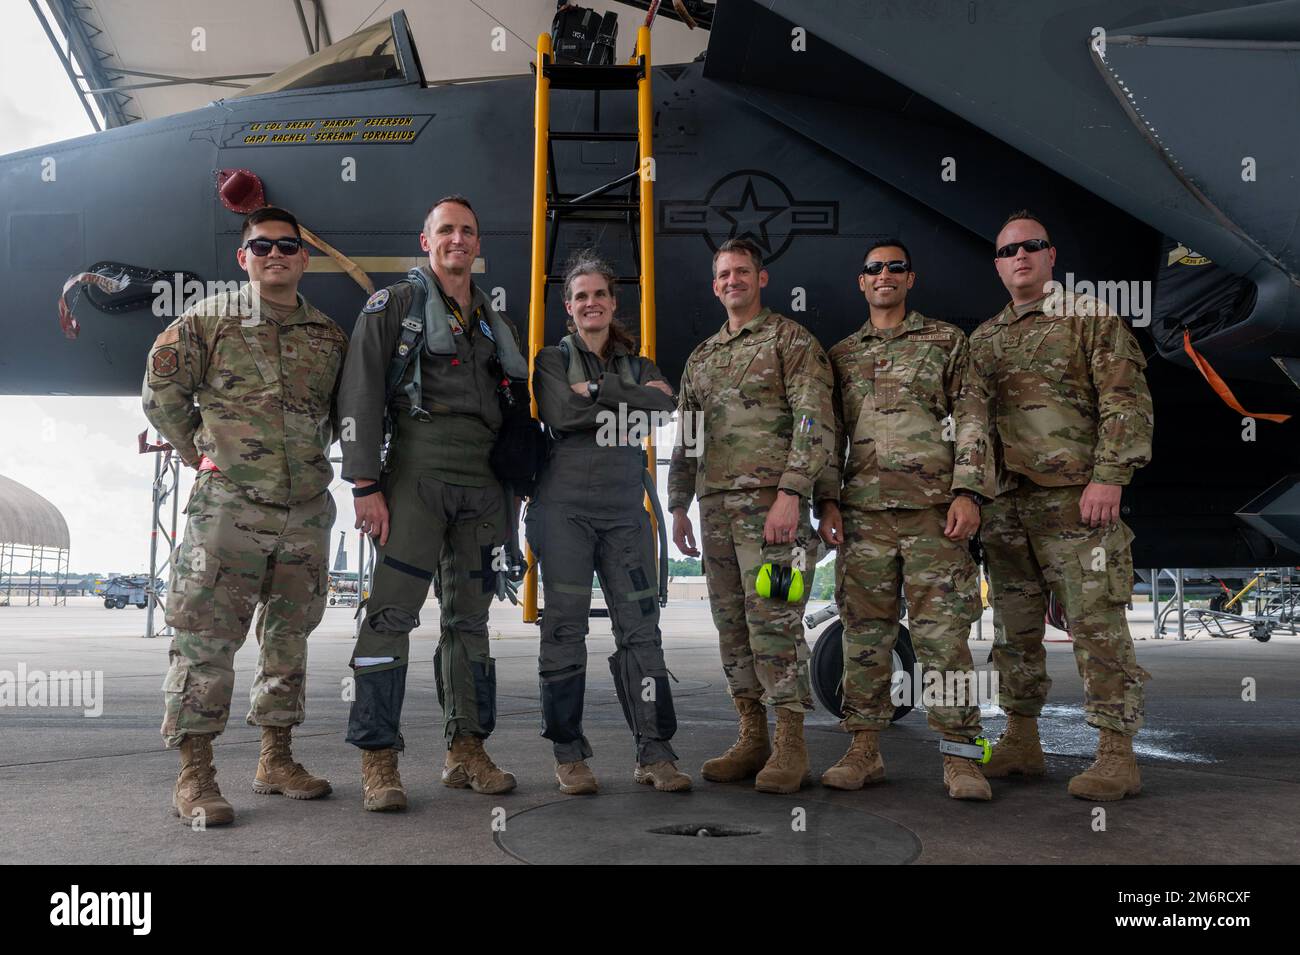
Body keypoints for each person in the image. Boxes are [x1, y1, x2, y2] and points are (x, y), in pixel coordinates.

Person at [143, 206, 347, 826]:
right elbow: (162, 396)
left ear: (304, 257)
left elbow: (340, 414)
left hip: (305, 510)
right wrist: (205, 455)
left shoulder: (329, 336)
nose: (275, 255)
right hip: (228, 508)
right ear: (243, 257)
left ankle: (276, 760)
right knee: (205, 638)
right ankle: (195, 777)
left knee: (289, 639)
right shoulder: (206, 321)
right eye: (261, 246)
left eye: (287, 246)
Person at [337, 195, 528, 810]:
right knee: (391, 616)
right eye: (446, 230)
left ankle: (466, 749)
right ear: (427, 241)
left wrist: (513, 498)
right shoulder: (392, 306)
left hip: (484, 480)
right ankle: (378, 758)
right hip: (416, 469)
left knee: (471, 621)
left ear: (477, 244)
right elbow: (360, 392)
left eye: (467, 231)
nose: (457, 240)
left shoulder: (497, 322)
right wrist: (365, 484)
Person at [968, 210, 1154, 801]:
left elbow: (1125, 401)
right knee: (1014, 632)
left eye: (1032, 246)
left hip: (1079, 504)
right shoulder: (984, 339)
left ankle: (1116, 753)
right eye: (1008, 251)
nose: (1020, 257)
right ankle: (1021, 740)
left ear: (1051, 256)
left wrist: (1110, 476)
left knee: (1097, 625)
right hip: (1007, 509)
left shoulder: (1090, 318)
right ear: (997, 265)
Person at [815, 240, 994, 800]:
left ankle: (962, 759)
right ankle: (864, 750)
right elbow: (828, 435)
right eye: (874, 269)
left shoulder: (946, 343)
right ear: (861, 283)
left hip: (934, 518)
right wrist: (828, 502)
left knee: (944, 641)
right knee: (865, 639)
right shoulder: (841, 355)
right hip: (865, 518)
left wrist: (968, 491)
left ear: (910, 279)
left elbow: (972, 419)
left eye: (895, 267)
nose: (885, 275)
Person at [667, 237, 835, 794]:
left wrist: (792, 493)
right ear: (715, 285)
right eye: (723, 274)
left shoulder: (792, 341)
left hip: (774, 518)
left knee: (776, 623)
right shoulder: (702, 358)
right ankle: (752, 735)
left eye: (742, 271)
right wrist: (678, 505)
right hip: (715, 515)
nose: (732, 280)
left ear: (761, 279)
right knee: (733, 628)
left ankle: (791, 742)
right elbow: (688, 438)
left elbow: (814, 422)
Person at [526, 252, 691, 794]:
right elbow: (562, 415)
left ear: (613, 303)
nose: (590, 303)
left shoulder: (641, 366)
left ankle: (655, 752)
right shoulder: (551, 361)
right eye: (580, 297)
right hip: (564, 513)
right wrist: (622, 403)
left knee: (642, 633)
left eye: (599, 294)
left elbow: (664, 411)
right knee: (566, 629)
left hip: (625, 517)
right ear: (569, 309)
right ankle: (569, 755)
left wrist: (598, 392)